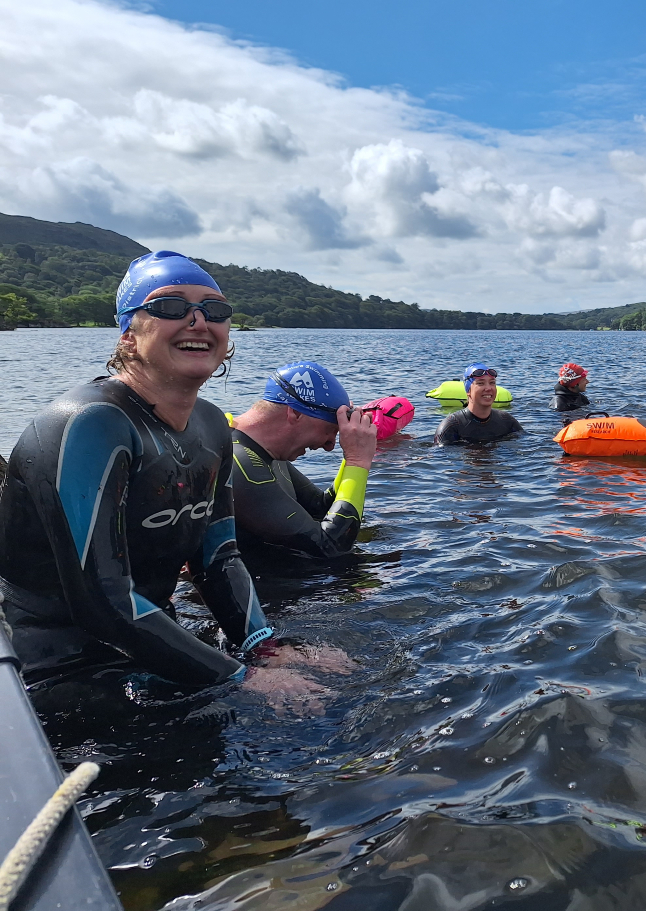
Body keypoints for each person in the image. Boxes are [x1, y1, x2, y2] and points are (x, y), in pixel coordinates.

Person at [0, 251, 327, 703]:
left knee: (332, 688)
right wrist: (242, 679)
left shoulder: (212, 426)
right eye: (170, 307)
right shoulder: (90, 424)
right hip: (54, 667)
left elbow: (218, 557)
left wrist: (265, 649)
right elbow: (102, 601)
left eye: (214, 310)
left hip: (145, 644)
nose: (198, 321)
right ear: (129, 334)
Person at [228, 361, 378, 565]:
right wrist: (358, 461)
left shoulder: (264, 454)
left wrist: (350, 456)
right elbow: (330, 546)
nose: (329, 446)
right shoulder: (236, 462)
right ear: (295, 413)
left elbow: (320, 508)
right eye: (330, 430)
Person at [435, 363, 523, 444]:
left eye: (492, 383)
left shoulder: (506, 421)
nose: (488, 388)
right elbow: (438, 456)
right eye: (480, 383)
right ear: (468, 390)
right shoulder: (451, 426)